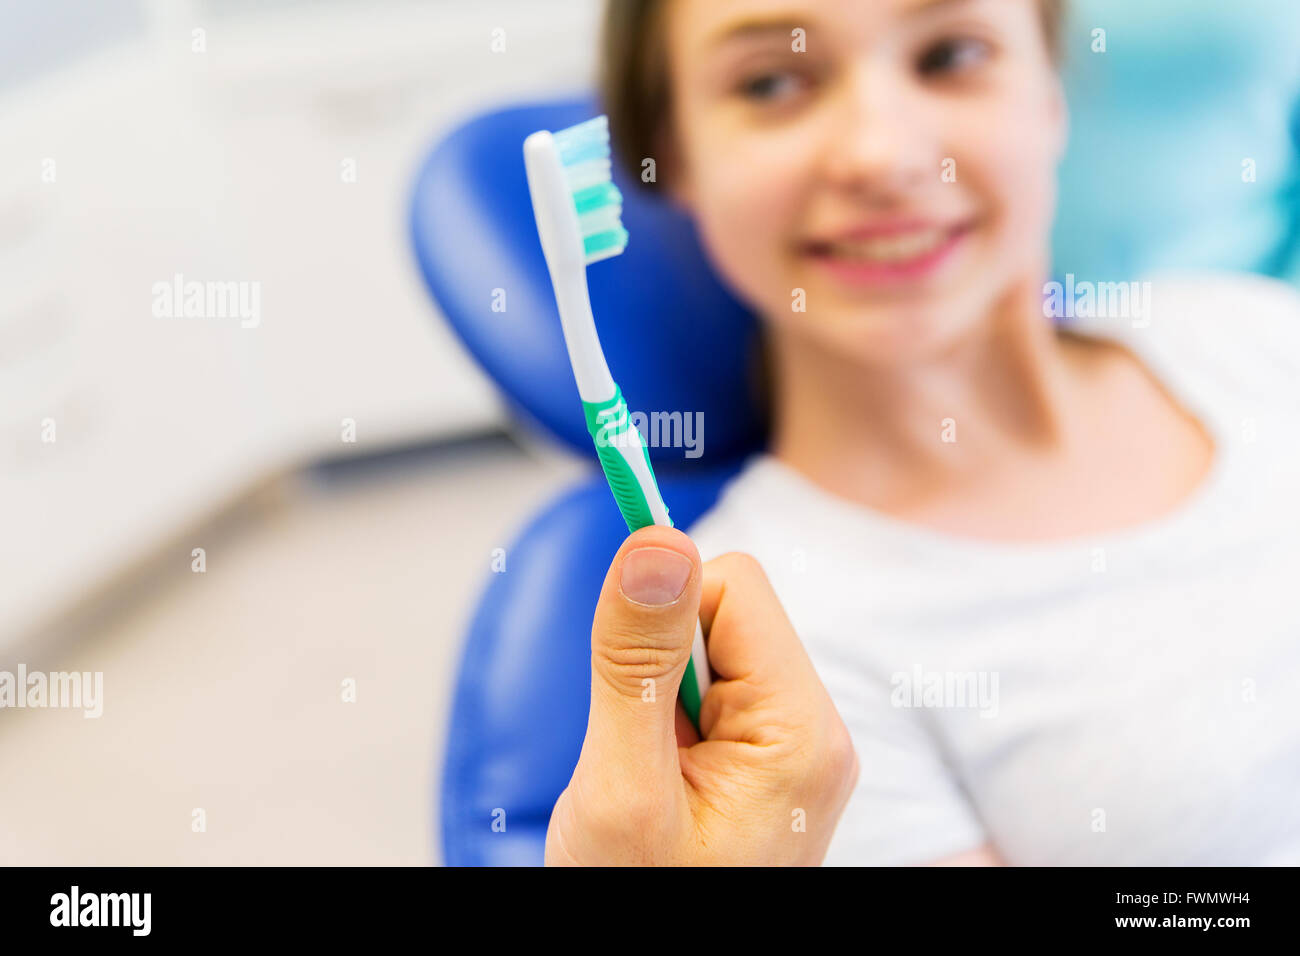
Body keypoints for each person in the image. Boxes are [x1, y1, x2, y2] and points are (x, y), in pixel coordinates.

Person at [550, 0, 1300, 865]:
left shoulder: (1254, 334)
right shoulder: (765, 654)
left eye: (949, 55)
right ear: (673, 152)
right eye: (772, 81)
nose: (884, 154)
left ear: (1048, 95)